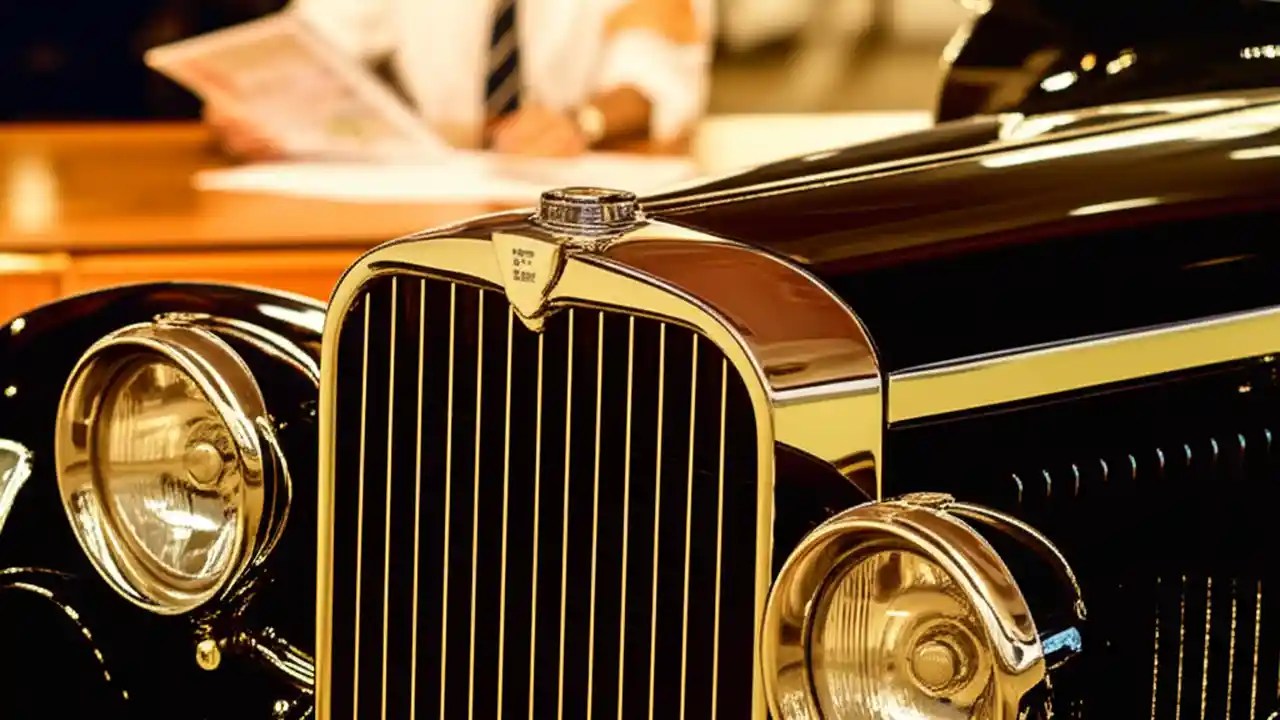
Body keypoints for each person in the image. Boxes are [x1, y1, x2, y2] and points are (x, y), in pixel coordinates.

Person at [207, 0, 714, 159]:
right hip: (438, 191)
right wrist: (248, 99)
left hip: (579, 196)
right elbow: (308, 42)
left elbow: (652, 80)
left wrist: (583, 121)